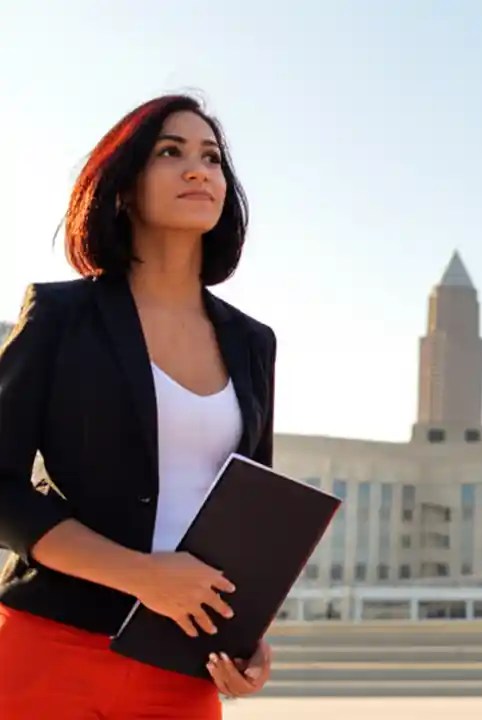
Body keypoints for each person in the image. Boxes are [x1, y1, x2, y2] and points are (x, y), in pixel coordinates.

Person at [0, 94, 277, 718]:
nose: (199, 170)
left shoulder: (254, 344)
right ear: (123, 187)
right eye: (170, 152)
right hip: (50, 648)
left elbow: (253, 512)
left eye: (212, 158)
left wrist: (246, 633)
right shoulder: (60, 316)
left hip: (178, 665)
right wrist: (140, 574)